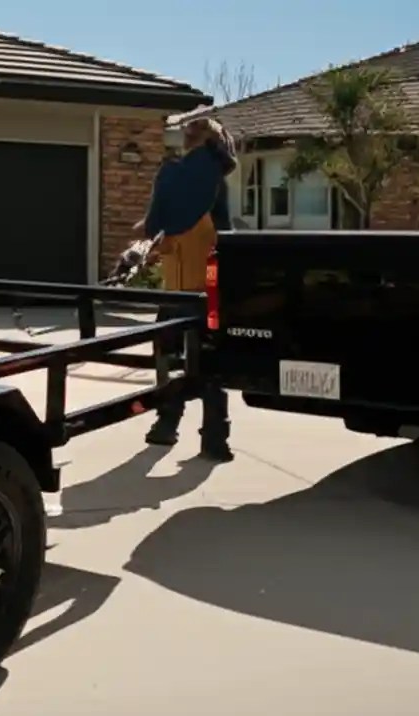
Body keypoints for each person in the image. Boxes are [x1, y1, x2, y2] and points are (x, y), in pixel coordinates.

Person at [137, 117, 237, 462]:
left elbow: (155, 226)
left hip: (174, 287)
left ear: (189, 140)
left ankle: (166, 424)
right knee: (212, 359)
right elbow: (224, 235)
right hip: (208, 286)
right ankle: (215, 439)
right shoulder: (217, 180)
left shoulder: (171, 174)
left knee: (168, 355)